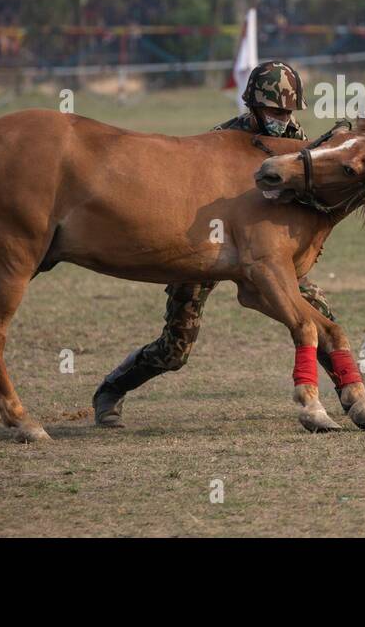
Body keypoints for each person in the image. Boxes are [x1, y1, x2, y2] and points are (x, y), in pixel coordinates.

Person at [92, 60, 334, 426]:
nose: (281, 117)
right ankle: (111, 390)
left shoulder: (293, 141)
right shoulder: (224, 139)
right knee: (175, 349)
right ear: (253, 104)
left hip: (264, 253)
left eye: (287, 110)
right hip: (203, 247)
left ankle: (354, 390)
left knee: (318, 316)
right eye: (273, 109)